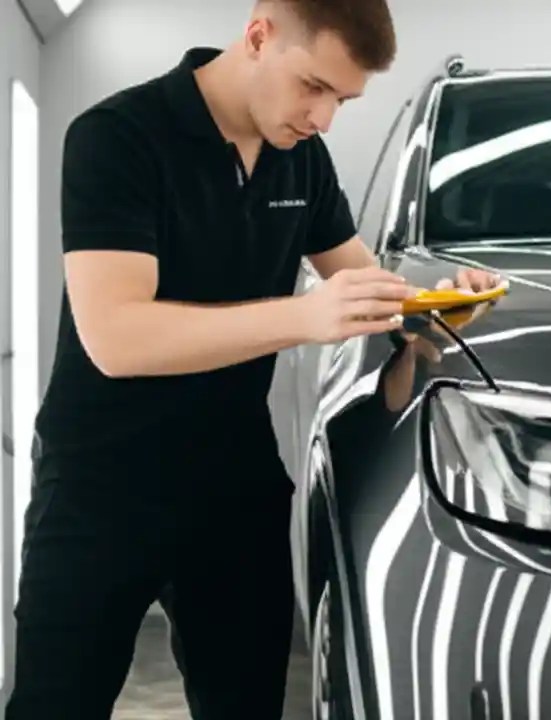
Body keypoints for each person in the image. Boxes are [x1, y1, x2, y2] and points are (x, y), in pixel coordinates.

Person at [5, 0, 500, 717]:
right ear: (259, 37)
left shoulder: (302, 158)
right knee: (55, 704)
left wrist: (439, 304)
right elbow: (115, 338)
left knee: (246, 705)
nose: (322, 118)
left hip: (232, 483)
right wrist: (304, 317)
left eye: (342, 100)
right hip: (98, 486)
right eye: (313, 86)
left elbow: (368, 288)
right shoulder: (117, 136)